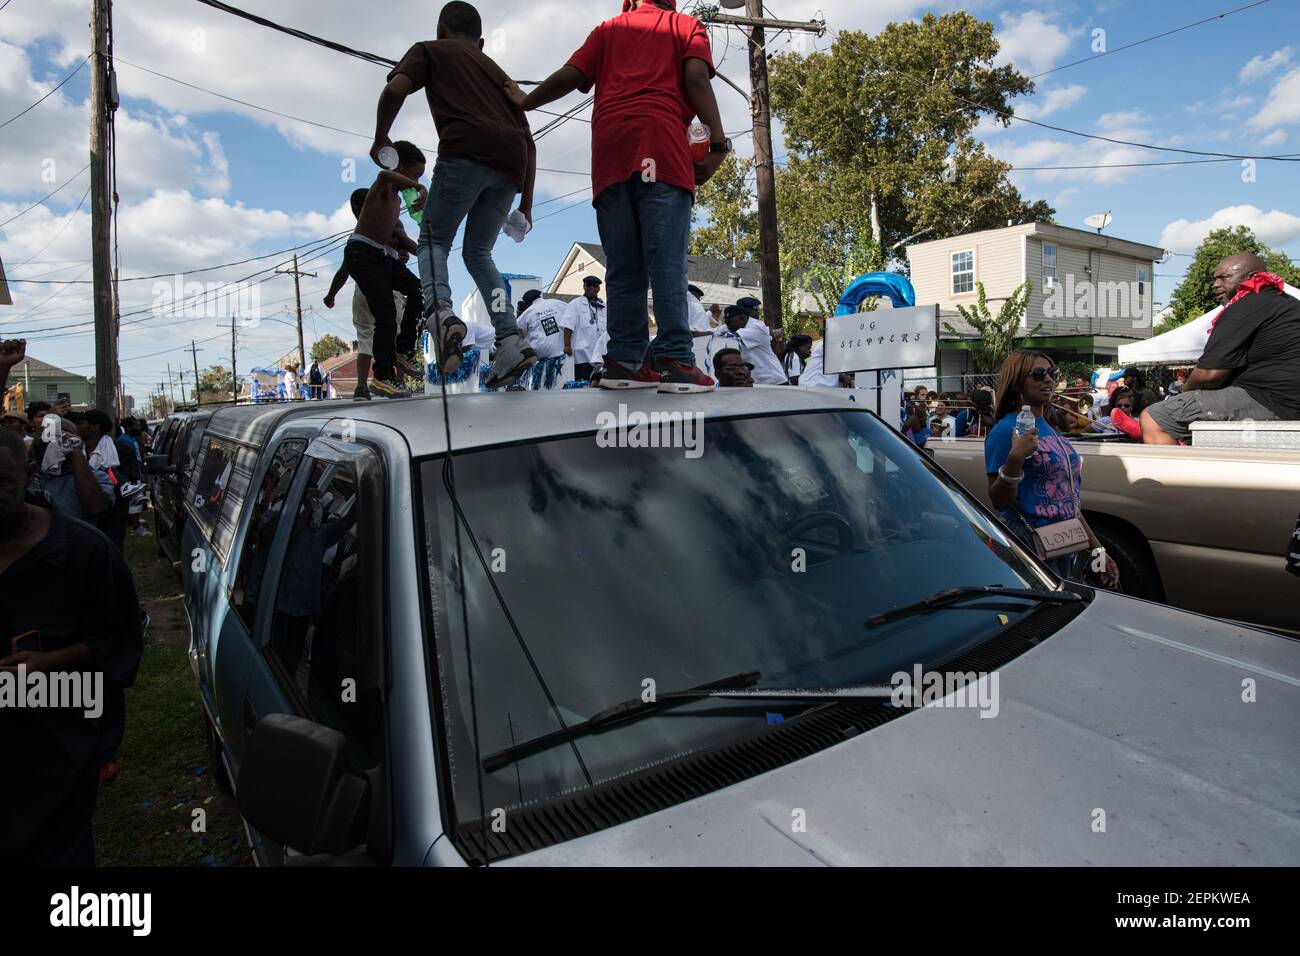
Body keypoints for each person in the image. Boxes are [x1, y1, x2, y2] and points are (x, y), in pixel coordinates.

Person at [510, 0, 725, 392]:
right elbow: (696, 78)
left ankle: (625, 363)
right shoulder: (684, 26)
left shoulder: (606, 31)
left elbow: (568, 75)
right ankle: (676, 359)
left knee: (623, 268)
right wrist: (719, 143)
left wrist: (525, 101)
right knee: (665, 262)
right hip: (658, 151)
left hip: (610, 158)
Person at [373, 2, 539, 389]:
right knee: (479, 253)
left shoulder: (430, 49)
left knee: (434, 240)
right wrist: (526, 205)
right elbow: (530, 145)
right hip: (511, 164)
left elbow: (395, 87)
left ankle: (441, 314)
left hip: (464, 150)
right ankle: (510, 339)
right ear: (480, 42)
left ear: (441, 29)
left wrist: (381, 136)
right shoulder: (499, 74)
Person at [0, 426, 144, 866]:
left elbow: (120, 637)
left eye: (0, 482)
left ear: (28, 475)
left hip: (55, 759)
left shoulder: (83, 552)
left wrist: (50, 663)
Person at [984, 351, 1119, 585]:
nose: (1048, 379)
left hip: (1065, 541)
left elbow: (1069, 503)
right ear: (1017, 383)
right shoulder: (1005, 432)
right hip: (1029, 546)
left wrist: (1099, 551)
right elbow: (999, 502)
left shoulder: (1047, 426)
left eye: (1052, 372)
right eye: (1038, 374)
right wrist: (1015, 460)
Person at [1142, 253, 1300, 445]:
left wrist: (1183, 390)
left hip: (1271, 401)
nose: (1216, 284)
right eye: (1215, 278)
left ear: (1251, 277)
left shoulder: (1245, 305)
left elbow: (1210, 375)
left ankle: (1184, 475)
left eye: (1224, 278)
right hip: (1286, 400)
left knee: (1156, 417)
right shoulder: (1289, 304)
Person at [342, 148, 428, 399]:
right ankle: (381, 376)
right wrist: (420, 189)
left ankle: (403, 351)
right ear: (400, 170)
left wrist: (429, 250)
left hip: (381, 257)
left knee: (416, 289)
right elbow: (384, 174)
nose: (418, 182)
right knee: (386, 313)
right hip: (362, 252)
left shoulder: (398, 204)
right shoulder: (382, 188)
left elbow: (404, 241)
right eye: (416, 175)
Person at [325, 187, 422, 400]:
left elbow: (345, 268)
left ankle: (364, 385)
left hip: (366, 285)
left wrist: (331, 295)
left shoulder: (360, 232)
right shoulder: (386, 221)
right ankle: (390, 379)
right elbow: (402, 242)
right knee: (390, 330)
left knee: (369, 336)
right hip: (386, 286)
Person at [722, 299, 787, 385]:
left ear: (742, 318)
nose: (757, 313)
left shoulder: (758, 327)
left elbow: (730, 336)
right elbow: (712, 332)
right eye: (755, 310)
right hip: (755, 382)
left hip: (774, 381)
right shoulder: (733, 325)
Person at [560, 275, 609, 381]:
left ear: (598, 288)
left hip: (600, 357)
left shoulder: (603, 306)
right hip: (582, 357)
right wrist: (567, 345)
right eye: (589, 285)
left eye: (595, 285)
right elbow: (568, 326)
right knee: (583, 389)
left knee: (599, 388)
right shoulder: (575, 304)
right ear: (584, 286)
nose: (591, 288)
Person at [516, 290, 567, 360]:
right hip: (565, 353)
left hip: (542, 358)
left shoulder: (527, 312)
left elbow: (515, 331)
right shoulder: (558, 303)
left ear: (527, 304)